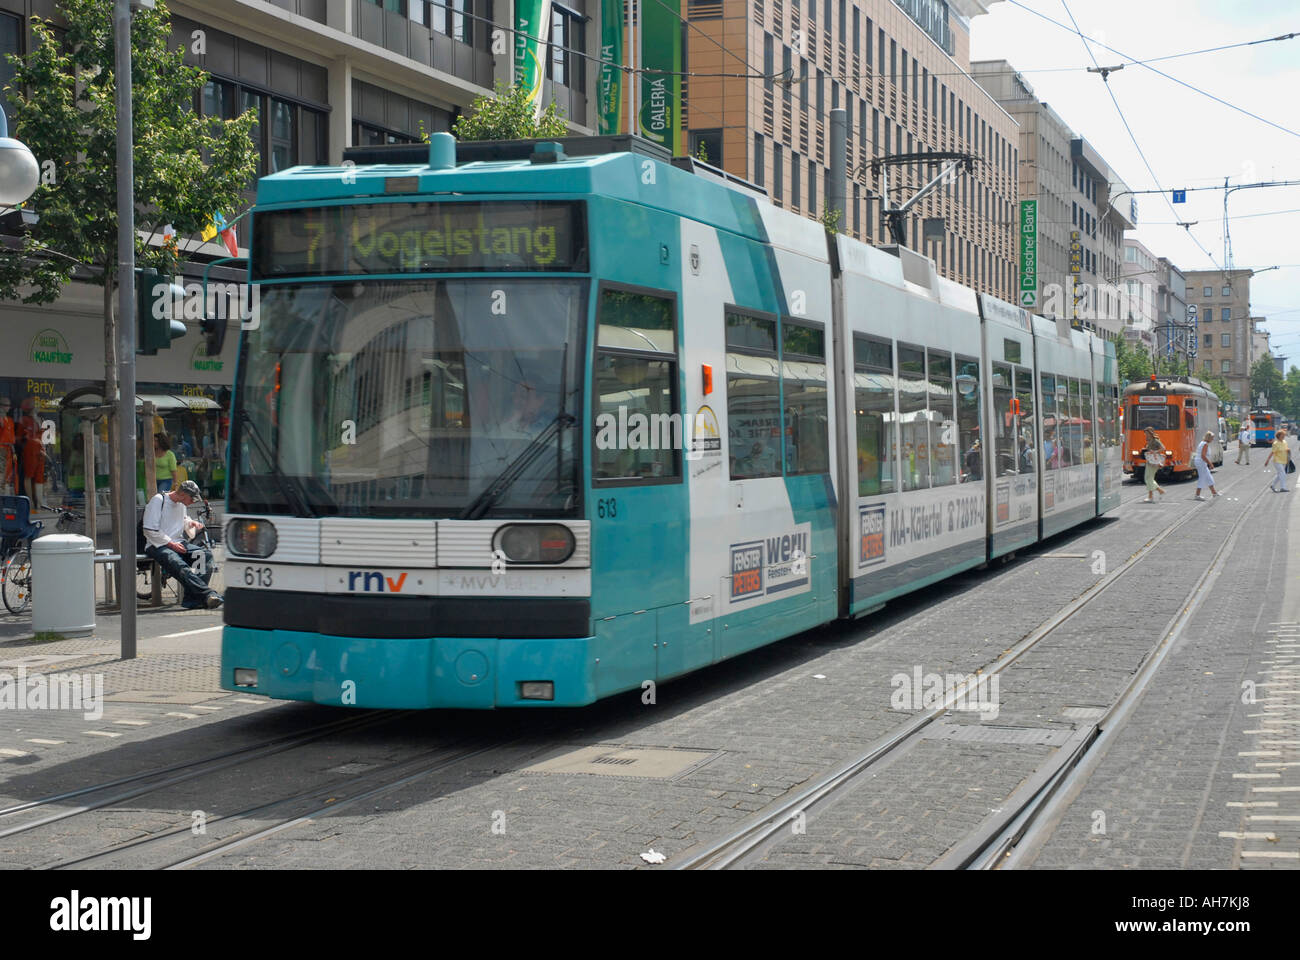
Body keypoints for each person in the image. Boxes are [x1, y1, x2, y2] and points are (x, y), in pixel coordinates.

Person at [141, 479, 221, 609]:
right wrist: (171, 544)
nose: (193, 502)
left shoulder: (181, 504)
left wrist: (191, 523)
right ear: (183, 494)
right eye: (192, 498)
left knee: (204, 555)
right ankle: (206, 594)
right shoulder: (158, 500)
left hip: (178, 542)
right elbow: (149, 530)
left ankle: (192, 600)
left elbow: (183, 520)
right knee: (178, 563)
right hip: (157, 545)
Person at [1192, 430, 1219, 501]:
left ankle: (1214, 493)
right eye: (1212, 438)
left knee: (1208, 476)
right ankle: (1197, 495)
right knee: (1202, 477)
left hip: (1200, 462)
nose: (1213, 439)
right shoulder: (1205, 444)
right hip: (1201, 462)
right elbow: (1203, 456)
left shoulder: (1202, 443)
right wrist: (1210, 464)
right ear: (1209, 438)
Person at [1142, 428, 1166, 502]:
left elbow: (1163, 448)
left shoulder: (1155, 441)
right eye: (1145, 433)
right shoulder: (1149, 441)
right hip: (1150, 461)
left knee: (1148, 478)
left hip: (1154, 462)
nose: (1145, 435)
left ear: (1150, 433)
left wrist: (1154, 452)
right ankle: (1157, 492)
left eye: (1146, 433)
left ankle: (1153, 495)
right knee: (1149, 478)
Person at [1264, 428, 1290, 493]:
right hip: (1277, 461)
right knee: (1283, 474)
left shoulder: (1285, 442)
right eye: (1282, 435)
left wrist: (1288, 453)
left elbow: (1286, 449)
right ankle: (1283, 488)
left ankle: (1273, 485)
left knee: (1279, 474)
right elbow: (1272, 452)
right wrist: (1267, 460)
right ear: (1278, 436)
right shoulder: (1275, 443)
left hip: (1284, 460)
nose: (1283, 436)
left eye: (1284, 435)